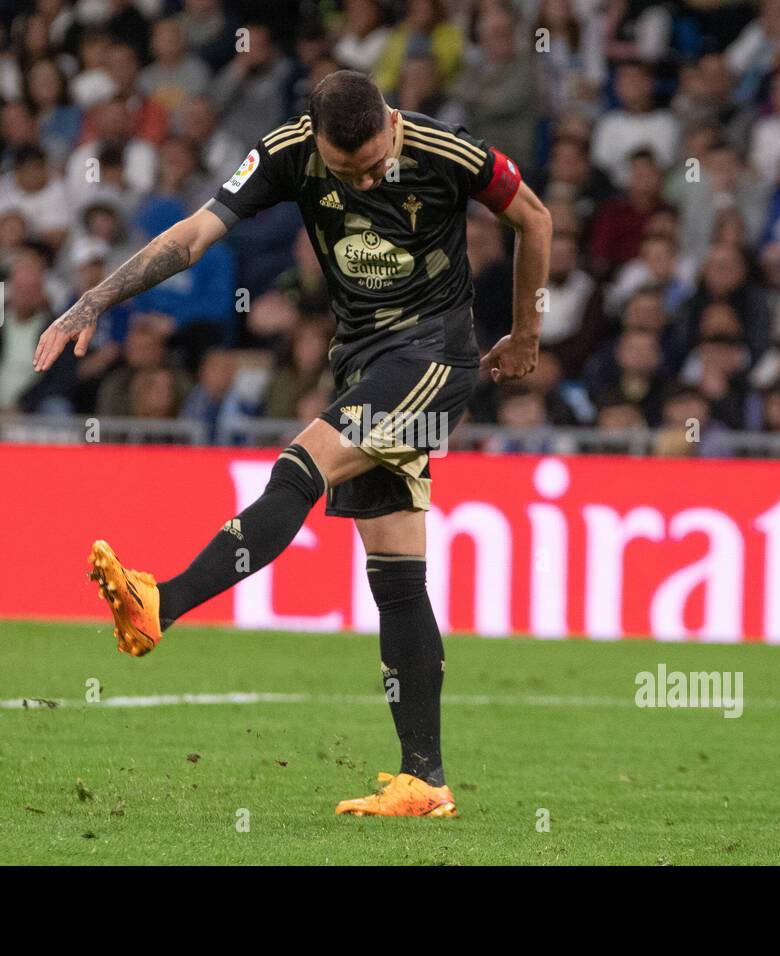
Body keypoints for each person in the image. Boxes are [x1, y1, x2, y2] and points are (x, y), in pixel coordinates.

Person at [33, 69, 551, 819]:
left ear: (390, 123)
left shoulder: (444, 149)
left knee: (299, 466)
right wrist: (93, 300)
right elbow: (192, 237)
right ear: (317, 143)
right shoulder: (284, 154)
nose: (371, 176)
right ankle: (425, 781)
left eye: (378, 159)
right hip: (364, 365)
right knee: (398, 573)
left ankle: (163, 603)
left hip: (435, 358)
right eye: (353, 171)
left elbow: (533, 216)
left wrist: (526, 335)